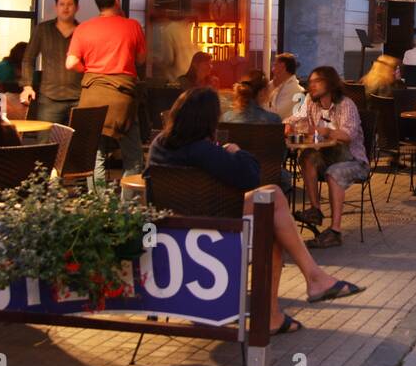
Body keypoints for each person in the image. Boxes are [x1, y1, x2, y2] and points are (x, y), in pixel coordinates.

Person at [147, 86, 362, 334]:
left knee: (270, 212)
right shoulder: (203, 150)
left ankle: (292, 299)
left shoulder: (160, 144)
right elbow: (251, 176)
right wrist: (235, 151)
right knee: (272, 203)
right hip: (212, 234)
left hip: (171, 232)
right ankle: (307, 284)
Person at [65, 0, 147, 184]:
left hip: (92, 97)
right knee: (133, 157)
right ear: (117, 1)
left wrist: (91, 69)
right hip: (122, 98)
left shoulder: (83, 28)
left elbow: (71, 63)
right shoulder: (132, 25)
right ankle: (128, 205)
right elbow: (141, 59)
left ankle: (99, 205)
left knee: (95, 155)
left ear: (97, 4)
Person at [290, 66, 369, 249]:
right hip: (328, 156)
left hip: (354, 161)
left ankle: (335, 231)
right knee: (307, 156)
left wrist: (324, 130)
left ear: (330, 83)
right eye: (310, 82)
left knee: (333, 173)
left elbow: (348, 135)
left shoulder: (346, 104)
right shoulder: (310, 102)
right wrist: (288, 125)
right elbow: (295, 118)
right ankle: (316, 211)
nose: (312, 86)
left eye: (317, 82)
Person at [19, 0, 82, 128]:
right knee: (45, 143)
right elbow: (28, 59)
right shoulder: (42, 29)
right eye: (62, 4)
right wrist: (27, 86)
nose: (65, 8)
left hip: (79, 98)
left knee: (77, 144)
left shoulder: (83, 30)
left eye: (70, 4)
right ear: (56, 7)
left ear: (77, 7)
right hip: (50, 97)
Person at [263, 52, 305, 121]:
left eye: (275, 65)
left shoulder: (295, 90)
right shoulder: (277, 84)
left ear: (282, 67)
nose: (272, 70)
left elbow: (277, 116)